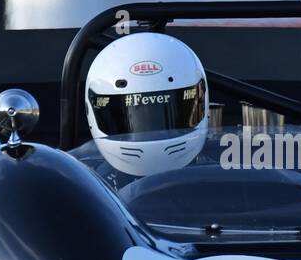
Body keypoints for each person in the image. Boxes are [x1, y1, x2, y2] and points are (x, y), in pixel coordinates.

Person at [84, 32, 210, 180]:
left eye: (161, 113)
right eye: (135, 114)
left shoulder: (87, 188)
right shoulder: (215, 177)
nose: (153, 132)